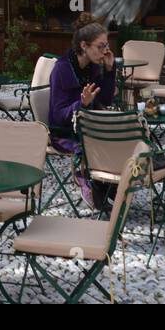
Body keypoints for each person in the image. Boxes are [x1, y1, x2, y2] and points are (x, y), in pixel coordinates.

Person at [49, 13, 117, 208]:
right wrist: (82, 103)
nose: (105, 51)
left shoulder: (92, 67)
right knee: (100, 142)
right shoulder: (62, 70)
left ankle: (109, 185)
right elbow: (58, 116)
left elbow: (104, 99)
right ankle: (88, 181)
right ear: (84, 46)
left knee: (119, 136)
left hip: (88, 125)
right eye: (101, 46)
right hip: (64, 133)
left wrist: (110, 70)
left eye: (106, 46)